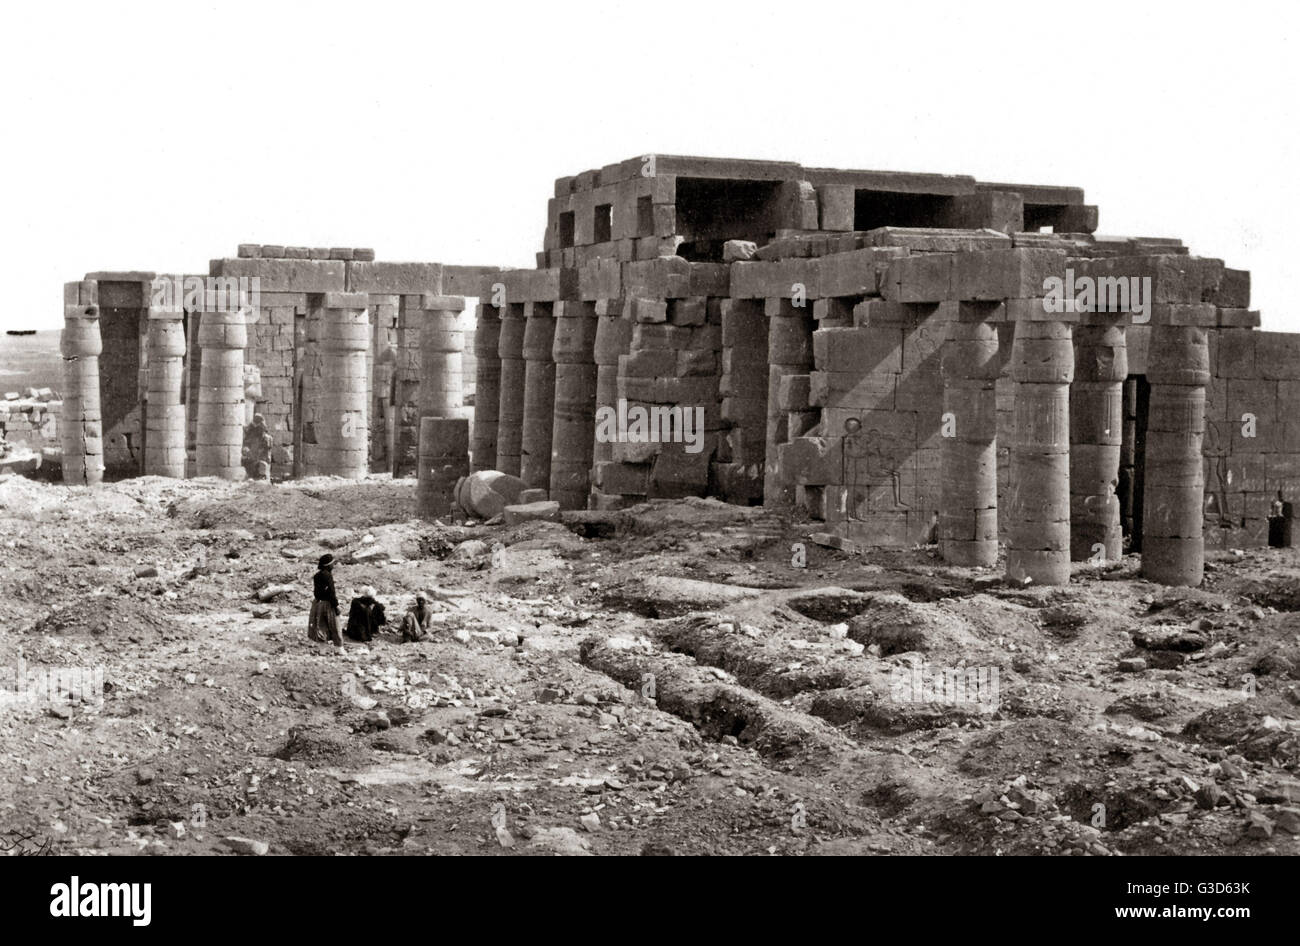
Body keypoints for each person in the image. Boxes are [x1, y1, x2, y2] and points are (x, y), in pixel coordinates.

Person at [307, 554, 341, 647]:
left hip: (318, 603)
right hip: (328, 603)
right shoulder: (328, 575)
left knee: (321, 626)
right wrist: (336, 605)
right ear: (328, 565)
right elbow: (331, 592)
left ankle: (322, 649)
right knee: (335, 626)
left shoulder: (317, 576)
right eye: (333, 563)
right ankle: (339, 648)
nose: (334, 566)